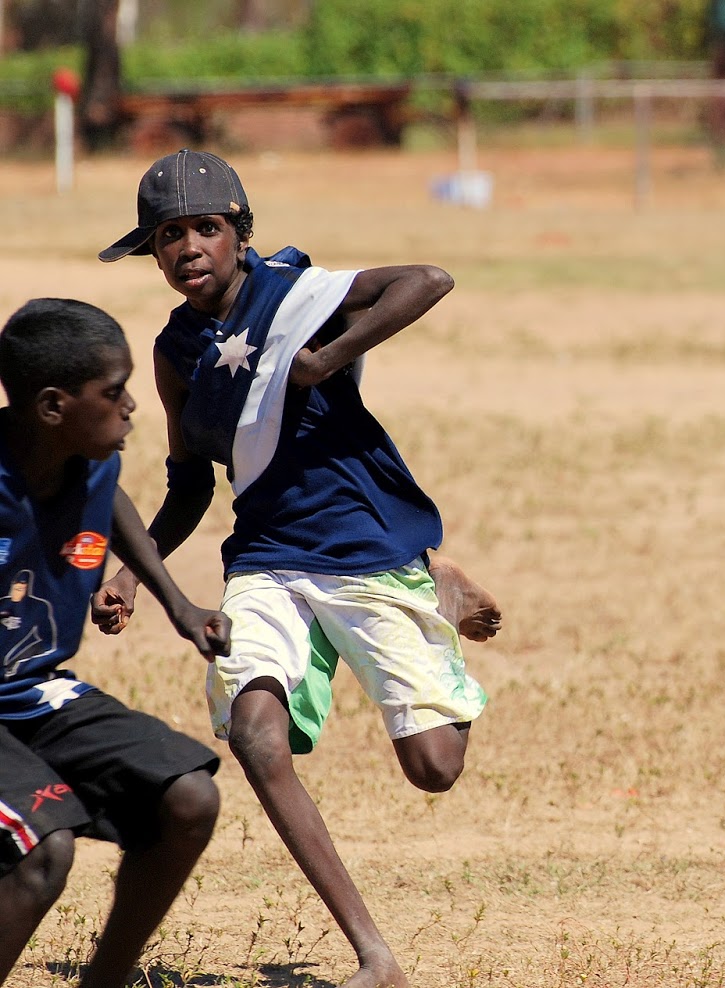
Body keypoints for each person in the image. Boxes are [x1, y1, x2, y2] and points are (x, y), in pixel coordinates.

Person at [93, 149, 490, 988]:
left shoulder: (296, 295)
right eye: (170, 235)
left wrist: (323, 359)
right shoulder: (175, 352)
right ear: (153, 253)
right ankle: (374, 954)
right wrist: (131, 571)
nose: (190, 247)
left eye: (208, 228)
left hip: (367, 549)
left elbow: (430, 277)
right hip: (269, 558)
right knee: (254, 734)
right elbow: (188, 486)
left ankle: (434, 584)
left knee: (435, 769)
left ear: (240, 234)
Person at [0, 298, 230, 987]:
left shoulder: (90, 455)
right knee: (44, 850)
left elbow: (114, 500)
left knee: (188, 797)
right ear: (52, 406)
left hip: (30, 691)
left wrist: (177, 602)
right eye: (113, 391)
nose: (131, 405)